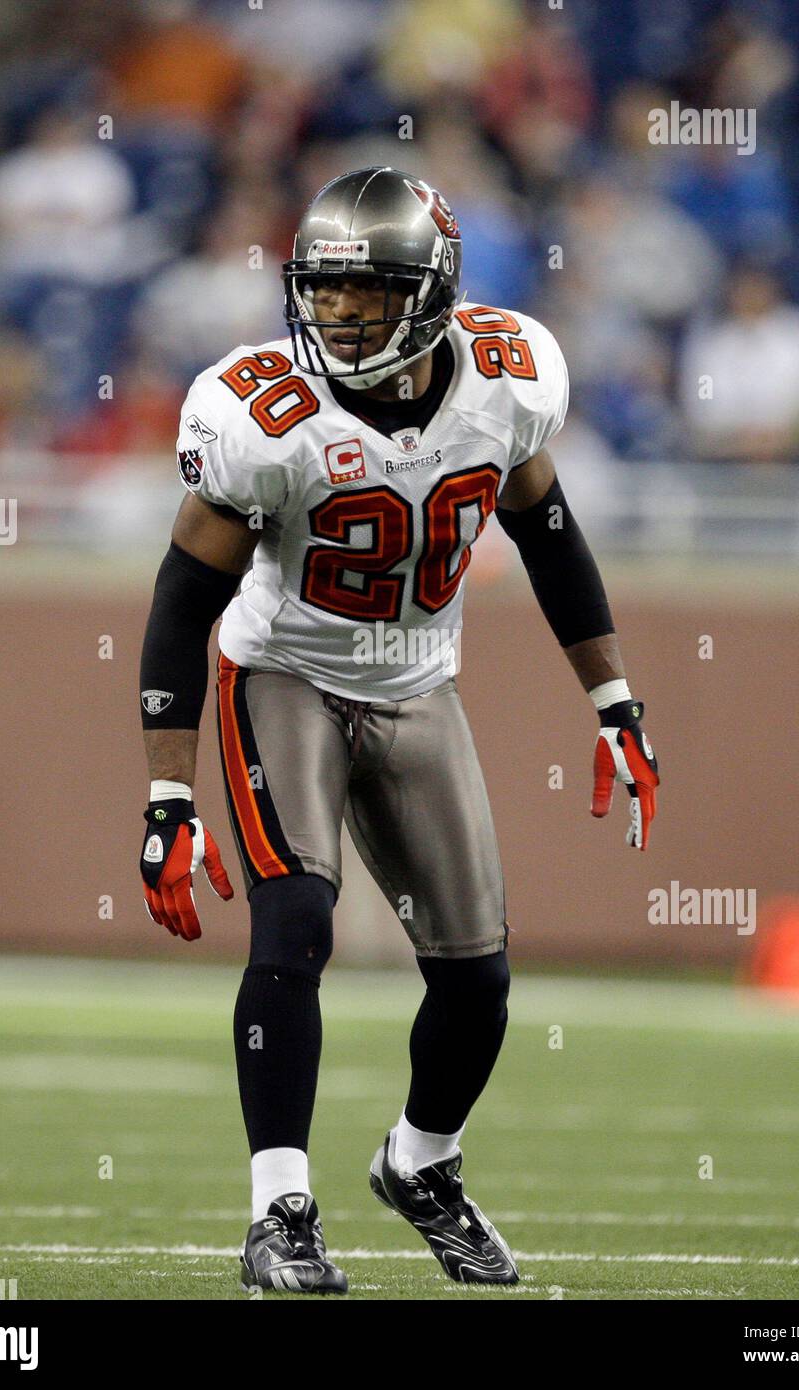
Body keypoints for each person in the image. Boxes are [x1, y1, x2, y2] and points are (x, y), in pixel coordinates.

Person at [137, 167, 660, 1294]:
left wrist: (614, 701)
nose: (337, 316)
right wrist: (169, 796)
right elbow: (184, 600)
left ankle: (420, 1163)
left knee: (477, 981)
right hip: (283, 673)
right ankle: (278, 1211)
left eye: (364, 295)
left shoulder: (507, 381)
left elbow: (550, 532)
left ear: (428, 294)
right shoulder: (262, 416)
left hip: (421, 684)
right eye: (322, 293)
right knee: (295, 926)